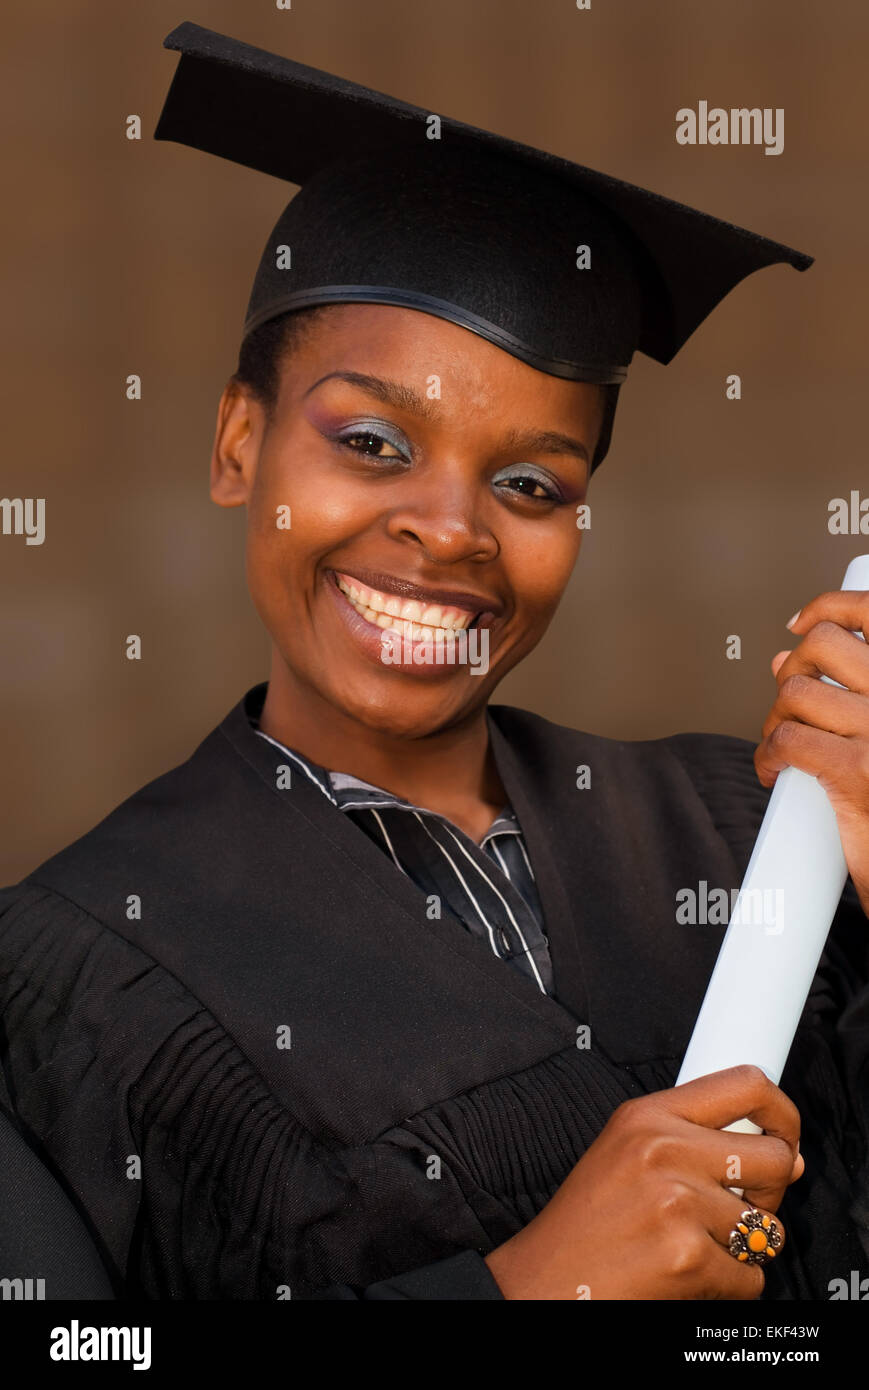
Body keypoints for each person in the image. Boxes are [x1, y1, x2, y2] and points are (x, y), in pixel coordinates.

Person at [0, 20, 867, 1301]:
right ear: (240, 445)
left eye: (528, 481)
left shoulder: (761, 833)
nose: (448, 529)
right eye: (369, 442)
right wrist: (518, 1291)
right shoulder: (63, 971)